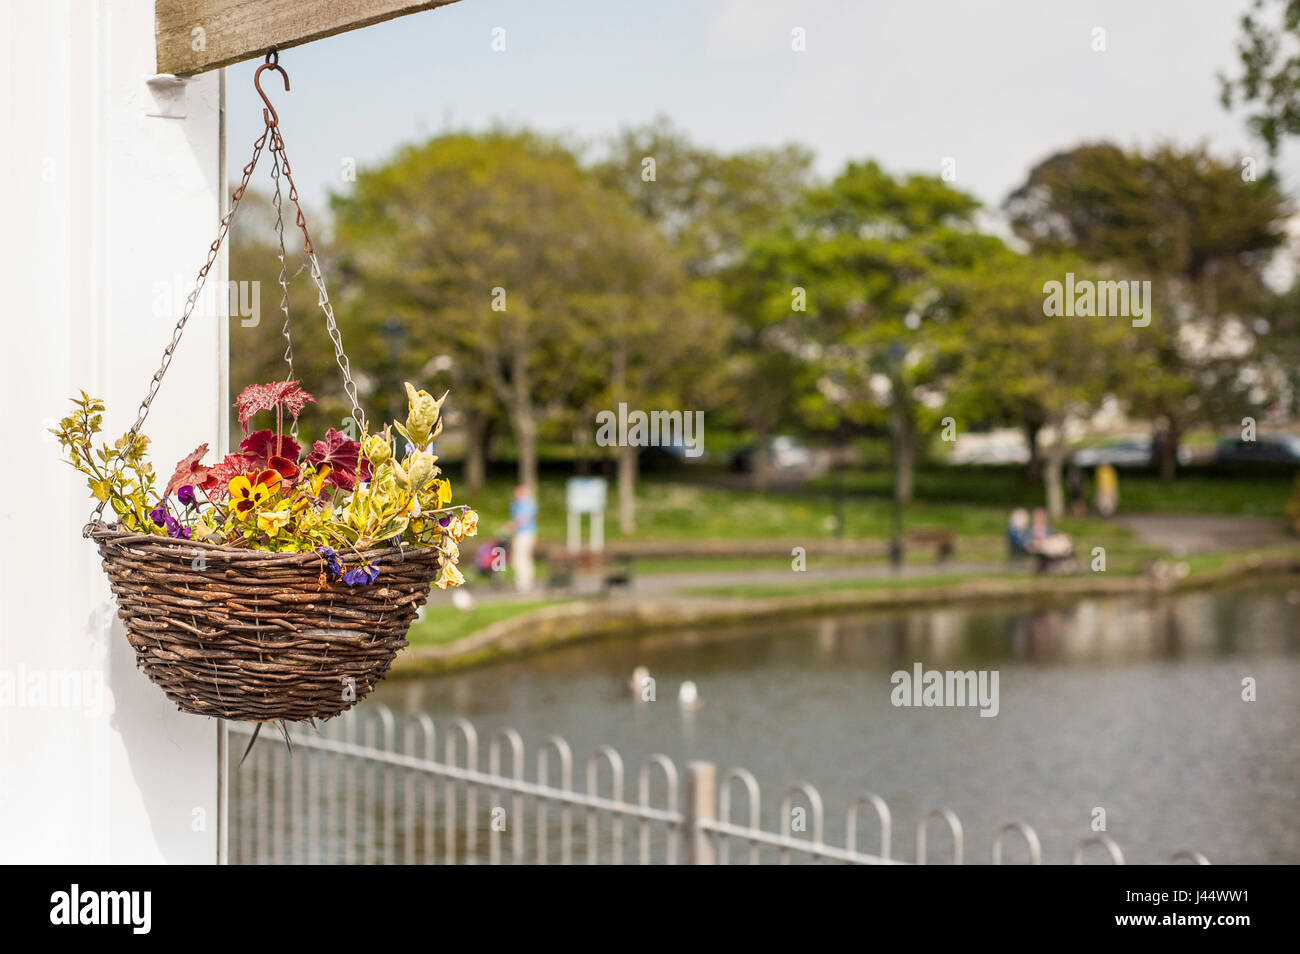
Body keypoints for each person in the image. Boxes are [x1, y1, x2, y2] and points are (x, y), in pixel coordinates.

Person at [506, 484, 538, 593]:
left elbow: (523, 518)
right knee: (522, 557)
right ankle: (524, 582)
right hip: (523, 533)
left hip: (524, 533)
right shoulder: (520, 503)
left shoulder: (526, 503)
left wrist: (511, 527)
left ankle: (524, 583)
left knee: (521, 558)